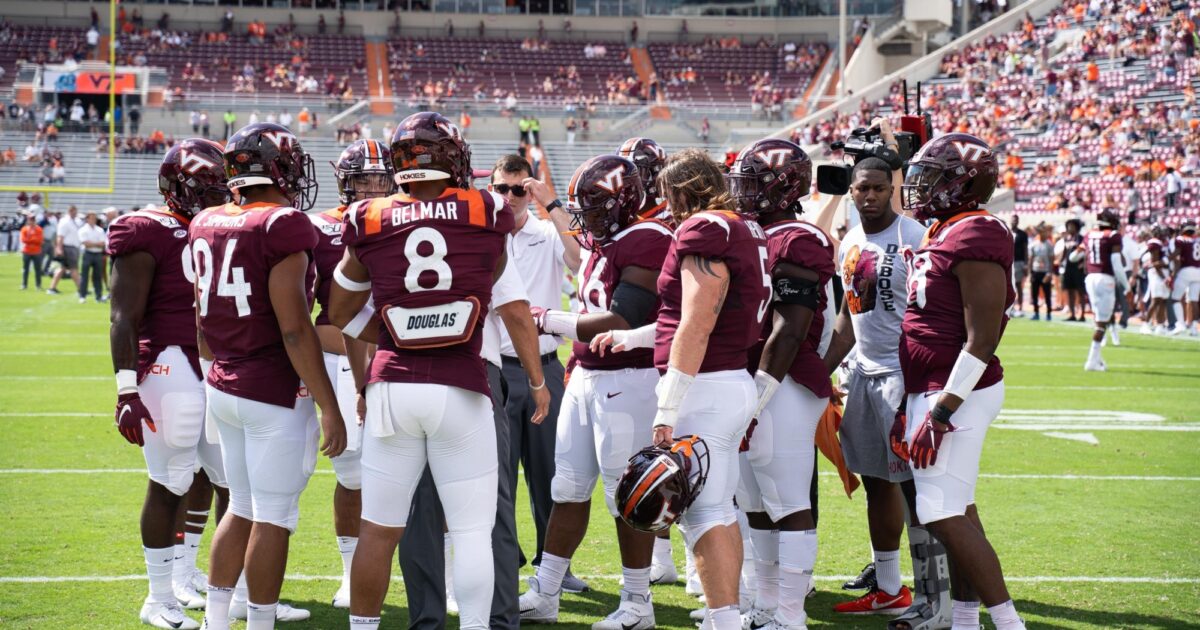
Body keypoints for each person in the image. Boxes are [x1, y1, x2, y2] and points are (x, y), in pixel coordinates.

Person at [327, 112, 512, 630]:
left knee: (378, 529)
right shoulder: (488, 209)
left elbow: (338, 309)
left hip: (393, 384)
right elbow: (492, 276)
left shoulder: (368, 215)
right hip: (461, 384)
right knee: (471, 532)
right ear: (452, 158)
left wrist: (394, 331)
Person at [596, 148, 770, 630]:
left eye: (667, 194)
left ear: (682, 189)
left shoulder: (705, 228)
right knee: (719, 507)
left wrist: (667, 406)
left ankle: (724, 621)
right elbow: (692, 316)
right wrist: (634, 338)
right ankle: (724, 616)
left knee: (704, 513)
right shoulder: (743, 226)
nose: (666, 205)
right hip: (729, 380)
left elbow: (697, 321)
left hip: (704, 387)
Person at [195, 123, 346, 630]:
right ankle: (260, 622)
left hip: (223, 380)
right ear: (279, 169)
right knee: (272, 516)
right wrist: (329, 405)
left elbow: (201, 325)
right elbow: (296, 330)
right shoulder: (282, 223)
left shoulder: (207, 218)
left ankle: (216, 621)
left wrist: (220, 366)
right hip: (272, 389)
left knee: (240, 506)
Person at [517, 155, 673, 629]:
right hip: (588, 374)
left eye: (593, 207)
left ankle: (638, 603)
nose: (585, 217)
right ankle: (546, 592)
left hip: (630, 379)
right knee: (566, 488)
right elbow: (581, 248)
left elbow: (623, 318)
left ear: (621, 204)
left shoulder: (648, 237)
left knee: (631, 495)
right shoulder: (607, 239)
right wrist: (553, 206)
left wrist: (546, 320)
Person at [897, 133, 1026, 630]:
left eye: (933, 177)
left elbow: (982, 338)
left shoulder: (978, 231)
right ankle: (967, 619)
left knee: (939, 511)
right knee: (957, 509)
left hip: (956, 391)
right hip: (931, 386)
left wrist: (942, 411)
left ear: (963, 183)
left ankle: (1009, 623)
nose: (921, 186)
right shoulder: (945, 229)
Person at [822, 157, 953, 629]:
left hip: (904, 377)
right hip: (863, 376)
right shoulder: (850, 241)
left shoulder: (915, 236)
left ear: (892, 188)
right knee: (877, 482)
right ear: (852, 191)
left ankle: (936, 598)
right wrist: (820, 373)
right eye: (863, 188)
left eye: (879, 187)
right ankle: (890, 589)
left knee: (918, 491)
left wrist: (925, 383)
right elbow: (847, 320)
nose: (871, 196)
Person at [108, 139, 232, 630]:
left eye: (222, 187)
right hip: (168, 363)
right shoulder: (146, 228)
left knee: (230, 480)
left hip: (216, 363)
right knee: (171, 480)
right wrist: (125, 390)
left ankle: (213, 584)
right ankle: (158, 597)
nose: (219, 196)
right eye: (209, 188)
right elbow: (123, 315)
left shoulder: (223, 225)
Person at [724, 139, 832, 630]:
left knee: (787, 501)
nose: (740, 192)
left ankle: (791, 614)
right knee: (754, 502)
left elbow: (789, 330)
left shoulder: (798, 239)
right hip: (752, 377)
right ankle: (764, 605)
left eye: (751, 183)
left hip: (784, 380)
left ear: (782, 188)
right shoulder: (753, 232)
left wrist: (757, 396)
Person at [489, 154, 585, 589]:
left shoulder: (546, 232)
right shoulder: (481, 233)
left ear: (530, 191)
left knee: (551, 475)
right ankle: (504, 563)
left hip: (545, 366)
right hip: (496, 368)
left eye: (518, 189)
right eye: (501, 188)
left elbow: (580, 260)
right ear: (490, 189)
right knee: (498, 478)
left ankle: (554, 569)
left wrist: (552, 204)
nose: (509, 197)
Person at [311, 139, 396, 609]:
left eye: (381, 180)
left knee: (420, 470)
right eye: (364, 180)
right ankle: (349, 573)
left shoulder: (404, 218)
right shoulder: (318, 228)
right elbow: (300, 309)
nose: (373, 188)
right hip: (338, 362)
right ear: (346, 182)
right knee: (351, 473)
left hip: (397, 358)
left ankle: (443, 575)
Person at [1076, 209, 1128, 371]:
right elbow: (1117, 264)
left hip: (1090, 278)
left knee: (1099, 319)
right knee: (1101, 323)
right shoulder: (1113, 235)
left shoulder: (1090, 234)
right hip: (1105, 278)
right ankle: (1091, 361)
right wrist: (1127, 286)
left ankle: (1097, 359)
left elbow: (1073, 257)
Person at [1140, 226, 1171, 334]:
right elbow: (1155, 263)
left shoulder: (1161, 243)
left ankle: (1160, 325)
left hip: (1162, 272)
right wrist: (1164, 278)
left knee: (1163, 300)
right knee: (1156, 300)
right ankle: (1145, 324)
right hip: (1157, 273)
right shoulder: (1154, 242)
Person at [1170, 224, 1200, 335]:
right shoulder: (1197, 241)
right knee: (1194, 300)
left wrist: (1166, 259)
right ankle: (1194, 328)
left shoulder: (1182, 239)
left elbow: (1176, 253)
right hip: (1198, 271)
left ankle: (1181, 324)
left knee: (1175, 298)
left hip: (1186, 270)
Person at [47, 205, 83, 295]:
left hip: (74, 247)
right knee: (73, 269)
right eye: (72, 211)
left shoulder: (76, 221)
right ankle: (81, 289)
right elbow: (60, 236)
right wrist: (59, 248)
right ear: (69, 211)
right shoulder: (64, 221)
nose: (74, 213)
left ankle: (52, 288)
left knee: (62, 268)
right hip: (68, 247)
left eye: (75, 211)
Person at [1057, 219, 1085, 321]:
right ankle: (1072, 314)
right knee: (1069, 291)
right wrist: (1060, 262)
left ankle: (1082, 314)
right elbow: (1065, 252)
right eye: (1068, 226)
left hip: (1078, 268)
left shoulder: (1081, 239)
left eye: (1072, 226)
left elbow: (1085, 252)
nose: (1070, 228)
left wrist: (1083, 264)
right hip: (1068, 268)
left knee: (1080, 291)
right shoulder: (1067, 239)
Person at [1028, 223, 1055, 321]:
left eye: (1044, 232)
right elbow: (1031, 259)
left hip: (1045, 272)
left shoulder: (1049, 244)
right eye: (1041, 232)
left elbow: (1051, 259)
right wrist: (1030, 273)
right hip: (1036, 271)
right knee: (1034, 293)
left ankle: (1048, 313)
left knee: (1047, 294)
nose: (1043, 234)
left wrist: (1049, 273)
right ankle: (1036, 313)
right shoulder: (1034, 244)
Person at [19, 213, 43, 290]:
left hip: (36, 252)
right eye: (30, 220)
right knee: (25, 269)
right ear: (28, 220)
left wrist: (30, 239)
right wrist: (33, 239)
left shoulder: (39, 229)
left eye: (33, 220)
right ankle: (24, 285)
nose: (32, 221)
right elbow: (23, 239)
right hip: (27, 251)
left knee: (38, 269)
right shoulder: (24, 229)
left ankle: (38, 285)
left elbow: (40, 240)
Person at [1010, 215, 1027, 317]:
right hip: (1009, 261)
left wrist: (1025, 264)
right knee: (1010, 286)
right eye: (1013, 220)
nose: (1014, 222)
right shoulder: (1007, 232)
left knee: (1018, 285)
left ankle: (1020, 307)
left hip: (1019, 261)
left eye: (1016, 220)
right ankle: (1011, 308)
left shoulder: (1022, 234)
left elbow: (1025, 249)